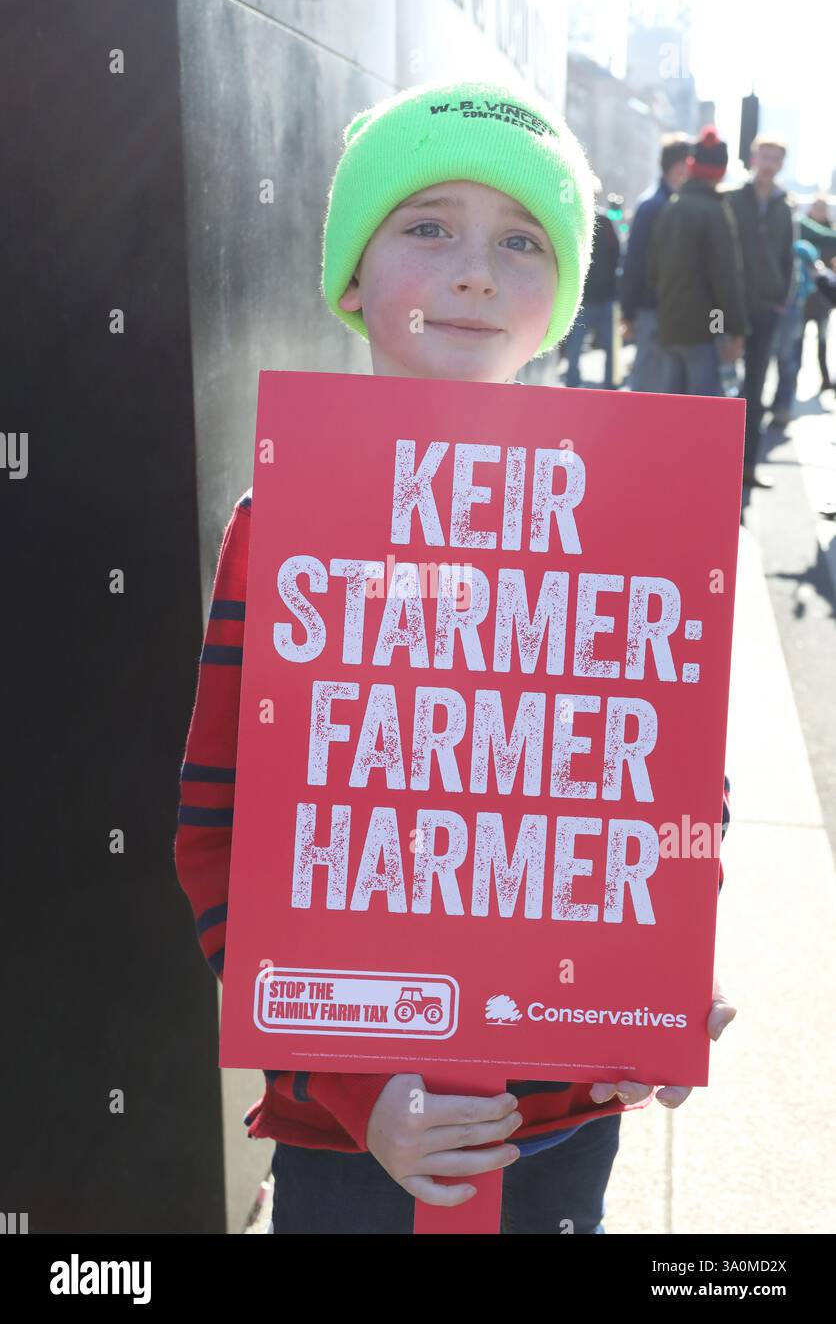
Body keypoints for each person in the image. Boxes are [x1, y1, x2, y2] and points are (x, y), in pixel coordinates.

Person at [173, 78, 736, 1236]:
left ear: (566, 293)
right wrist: (360, 1095)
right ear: (351, 273)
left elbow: (676, 801)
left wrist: (665, 981)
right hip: (356, 1138)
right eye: (428, 226)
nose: (476, 270)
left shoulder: (633, 530)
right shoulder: (280, 525)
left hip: (564, 1119)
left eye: (521, 239)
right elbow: (223, 836)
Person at [646, 125, 746, 399]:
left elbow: (653, 271)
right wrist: (734, 329)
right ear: (721, 170)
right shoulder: (715, 212)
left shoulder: (671, 207)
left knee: (672, 407)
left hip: (670, 326)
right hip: (704, 330)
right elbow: (725, 278)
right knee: (703, 409)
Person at [724, 135, 794, 488]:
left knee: (754, 390)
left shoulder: (784, 205)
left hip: (767, 310)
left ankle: (746, 468)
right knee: (721, 387)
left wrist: (782, 298)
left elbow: (787, 256)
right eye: (764, 156)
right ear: (753, 158)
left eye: (775, 158)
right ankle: (717, 467)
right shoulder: (734, 198)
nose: (768, 163)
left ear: (781, 163)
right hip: (729, 309)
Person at [619, 133, 691, 392]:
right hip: (653, 311)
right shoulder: (653, 206)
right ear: (680, 167)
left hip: (666, 311)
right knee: (649, 391)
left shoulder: (664, 202)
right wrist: (628, 312)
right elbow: (634, 262)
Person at [561, 177, 621, 389]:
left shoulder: (576, 221)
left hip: (585, 296)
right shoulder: (603, 222)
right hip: (597, 296)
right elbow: (617, 256)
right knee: (605, 346)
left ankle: (573, 382)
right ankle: (608, 384)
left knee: (577, 345)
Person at [769, 240, 821, 429]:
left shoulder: (800, 248)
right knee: (785, 358)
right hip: (787, 308)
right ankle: (780, 406)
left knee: (784, 358)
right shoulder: (802, 247)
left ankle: (780, 406)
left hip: (786, 308)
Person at [799, 195, 836, 395]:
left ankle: (826, 379)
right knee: (797, 341)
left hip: (824, 298)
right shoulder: (802, 230)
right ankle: (792, 385)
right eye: (817, 207)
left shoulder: (830, 234)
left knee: (823, 340)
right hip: (803, 298)